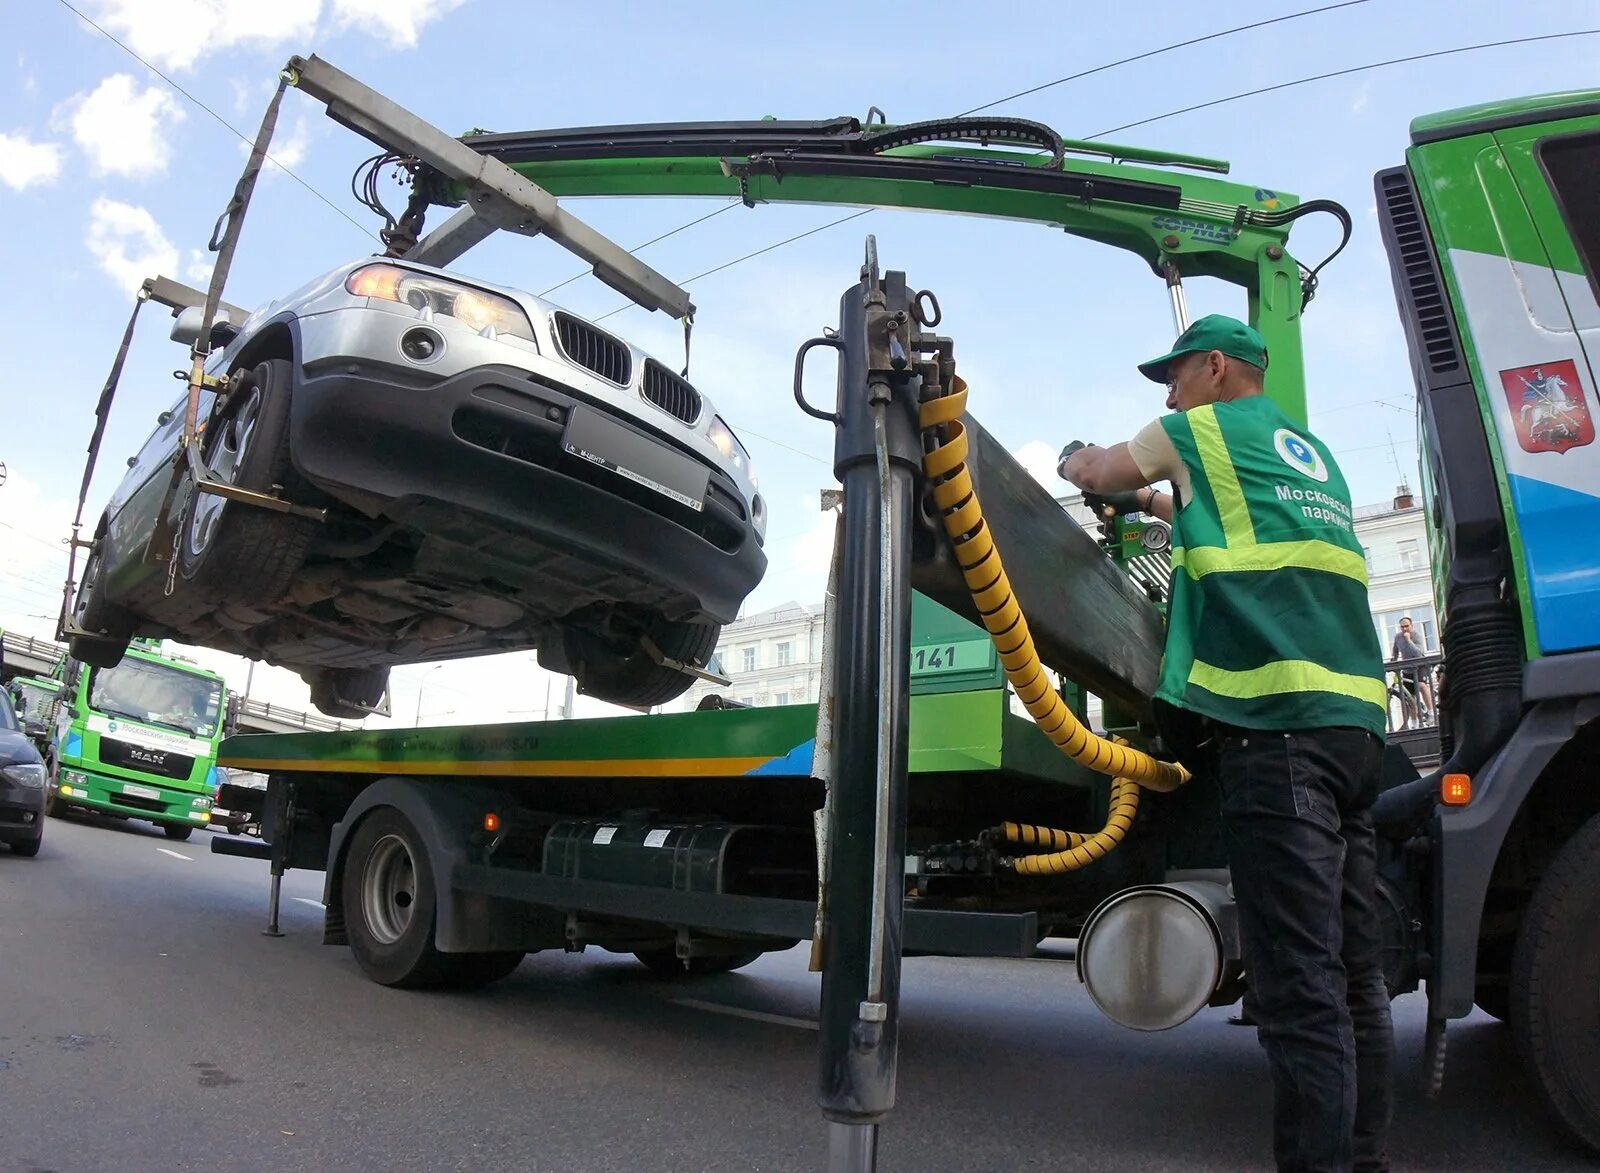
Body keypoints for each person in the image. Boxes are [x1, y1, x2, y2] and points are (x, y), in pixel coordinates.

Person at [1059, 314, 1394, 1173]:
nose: (1167, 396)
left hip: (1276, 734)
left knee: (1298, 987)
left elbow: (1102, 467)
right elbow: (1201, 509)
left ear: (1214, 367)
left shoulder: (1189, 429)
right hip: (1354, 731)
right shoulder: (1306, 451)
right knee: (1356, 978)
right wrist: (1150, 504)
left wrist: (1074, 461)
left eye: (1174, 376)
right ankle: (1361, 1158)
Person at [1388, 616, 1433, 726]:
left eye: (1407, 626)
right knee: (1410, 699)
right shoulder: (1398, 637)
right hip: (1407, 669)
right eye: (1402, 627)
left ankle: (1431, 713)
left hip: (1419, 667)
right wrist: (1393, 661)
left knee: (1421, 685)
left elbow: (1418, 653)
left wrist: (1409, 640)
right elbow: (1395, 651)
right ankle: (1415, 724)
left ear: (1411, 626)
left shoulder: (1417, 636)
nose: (1404, 629)